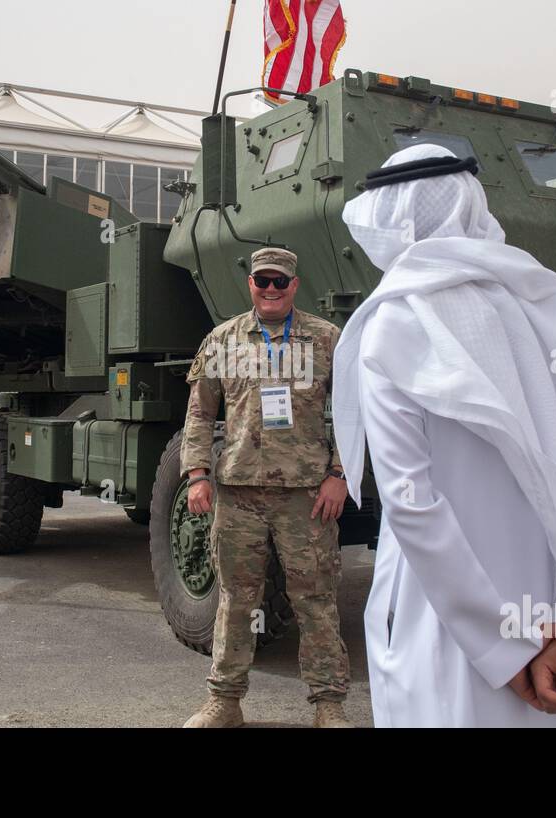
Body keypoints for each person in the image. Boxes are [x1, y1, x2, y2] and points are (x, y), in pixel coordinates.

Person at [333, 145, 556, 727]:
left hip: (446, 629)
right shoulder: (551, 305)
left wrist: (503, 651)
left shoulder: (392, 324)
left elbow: (412, 505)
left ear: (395, 215)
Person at [179, 247, 352, 728]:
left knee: (315, 599)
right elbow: (199, 413)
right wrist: (197, 474)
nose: (271, 289)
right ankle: (224, 701)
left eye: (280, 281)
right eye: (263, 281)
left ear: (295, 285)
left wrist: (340, 476)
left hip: (306, 496)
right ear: (250, 284)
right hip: (238, 492)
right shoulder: (222, 340)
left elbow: (357, 414)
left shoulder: (326, 339)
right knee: (236, 601)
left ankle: (329, 705)